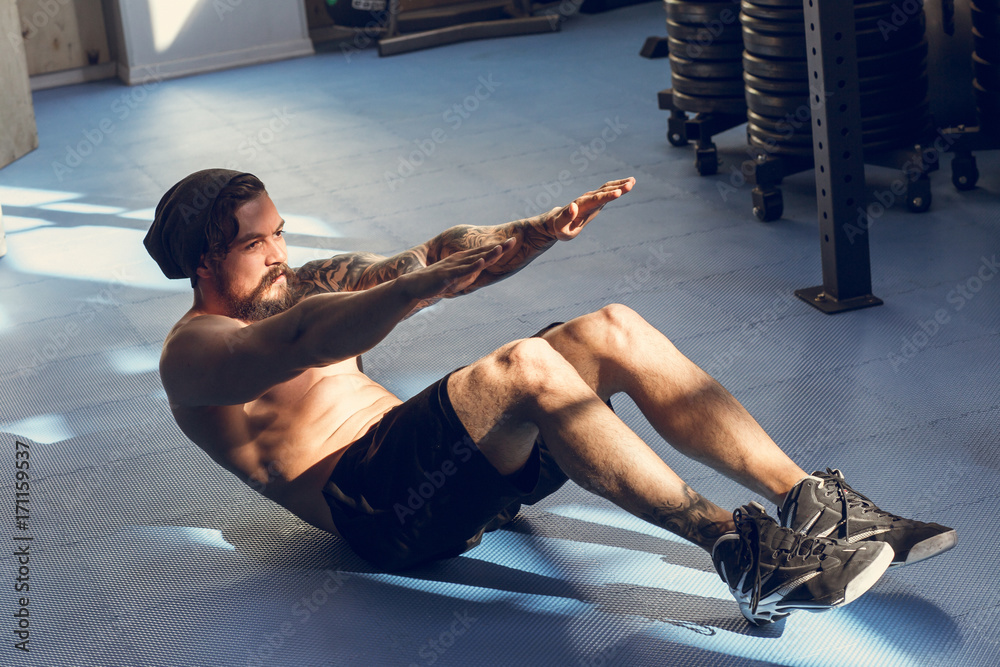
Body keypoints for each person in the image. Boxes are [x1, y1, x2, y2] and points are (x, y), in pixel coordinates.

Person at [145, 169, 955, 625]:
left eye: (281, 230)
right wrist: (414, 292)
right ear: (204, 267)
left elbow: (426, 257)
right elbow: (299, 342)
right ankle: (742, 554)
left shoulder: (296, 281)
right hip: (381, 513)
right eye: (258, 244)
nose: (282, 254)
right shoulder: (196, 355)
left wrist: (530, 233)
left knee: (611, 327)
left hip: (459, 479)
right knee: (525, 366)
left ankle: (807, 500)